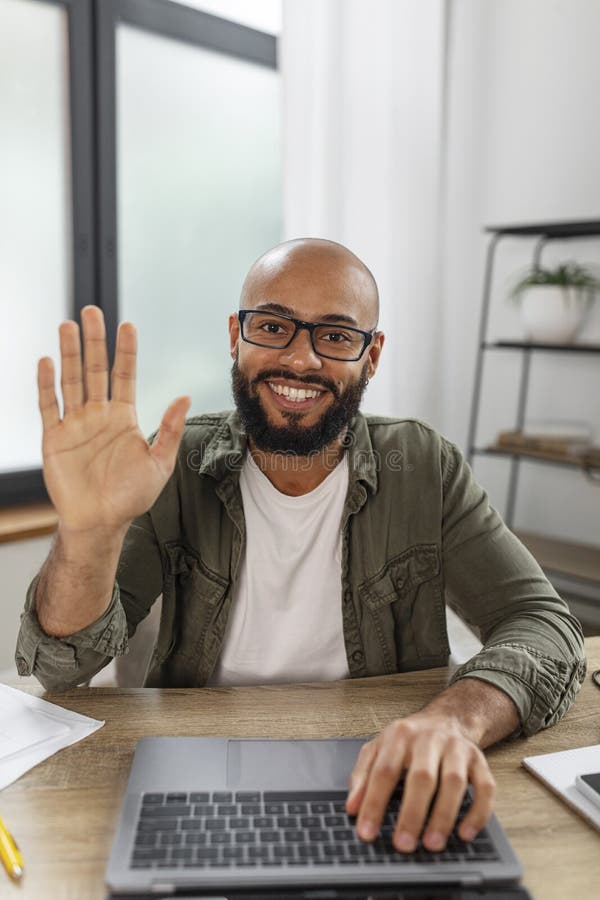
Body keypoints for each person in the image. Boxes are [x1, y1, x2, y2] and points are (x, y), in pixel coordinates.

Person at [16, 238, 585, 856]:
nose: (302, 359)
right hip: (197, 771)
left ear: (372, 356)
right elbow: (59, 671)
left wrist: (454, 720)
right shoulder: (175, 466)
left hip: (381, 766)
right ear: (236, 336)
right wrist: (88, 532)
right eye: (273, 326)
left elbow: (543, 624)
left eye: (336, 336)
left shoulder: (424, 467)